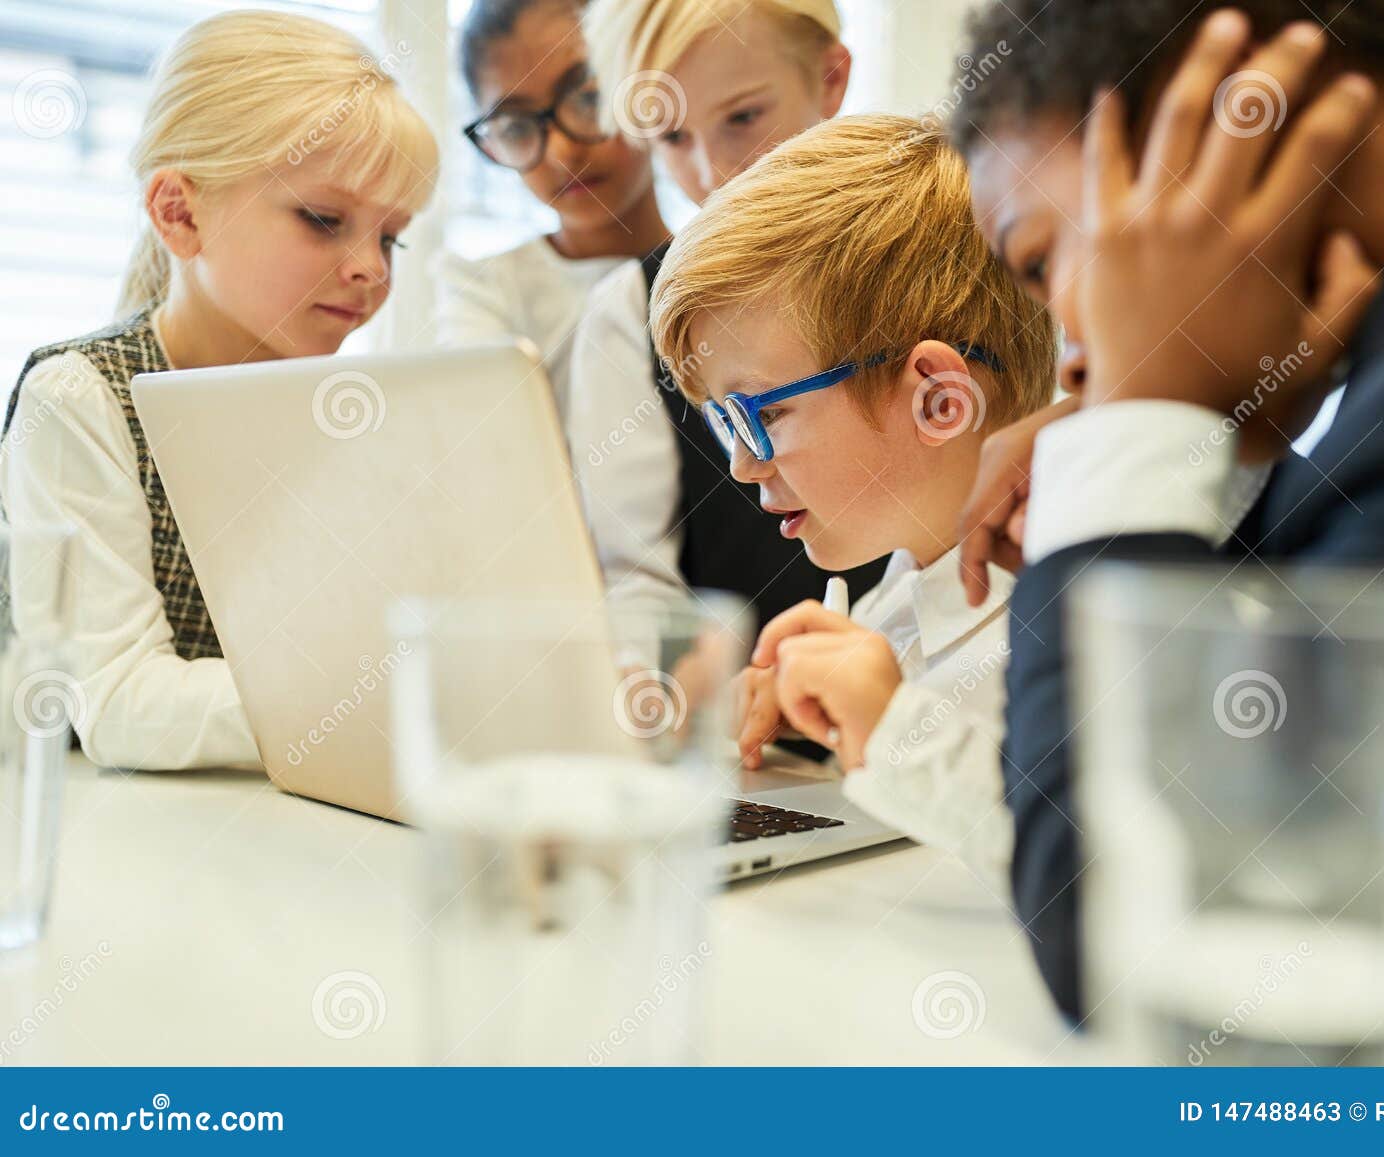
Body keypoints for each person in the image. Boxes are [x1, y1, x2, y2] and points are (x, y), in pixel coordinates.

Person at [948, 0, 1384, 1040]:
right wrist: (1223, 436)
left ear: (1236, 101)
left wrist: (1142, 427)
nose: (1071, 352)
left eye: (1037, 262)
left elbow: (1150, 947)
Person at [0, 10, 438, 771]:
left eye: (390, 235)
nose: (373, 267)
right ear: (179, 212)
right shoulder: (78, 399)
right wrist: (395, 697)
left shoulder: (347, 413)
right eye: (324, 219)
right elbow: (120, 703)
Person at [648, 114, 1055, 883]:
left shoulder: (1059, 629)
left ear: (939, 400)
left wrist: (895, 729)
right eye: (725, 422)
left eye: (762, 415)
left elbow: (1075, 858)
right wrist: (805, 715)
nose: (740, 464)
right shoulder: (897, 600)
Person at [568, 0, 885, 636]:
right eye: (673, 139)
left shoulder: (938, 252)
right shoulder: (630, 314)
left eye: (743, 117)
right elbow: (635, 583)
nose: (713, 172)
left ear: (831, 78)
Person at [436, 0, 669, 421]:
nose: (562, 154)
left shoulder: (720, 270)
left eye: (589, 99)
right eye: (517, 126)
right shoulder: (484, 292)